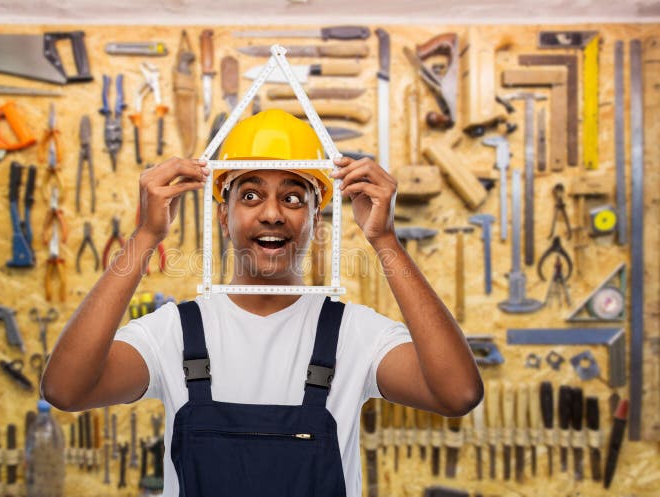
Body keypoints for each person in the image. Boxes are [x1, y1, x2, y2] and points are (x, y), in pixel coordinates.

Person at [42, 109, 483, 497]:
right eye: (250, 195)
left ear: (315, 216)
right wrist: (144, 238)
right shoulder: (174, 333)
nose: (272, 213)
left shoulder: (355, 334)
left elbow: (458, 393)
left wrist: (385, 238)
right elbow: (66, 389)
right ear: (222, 214)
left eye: (293, 197)